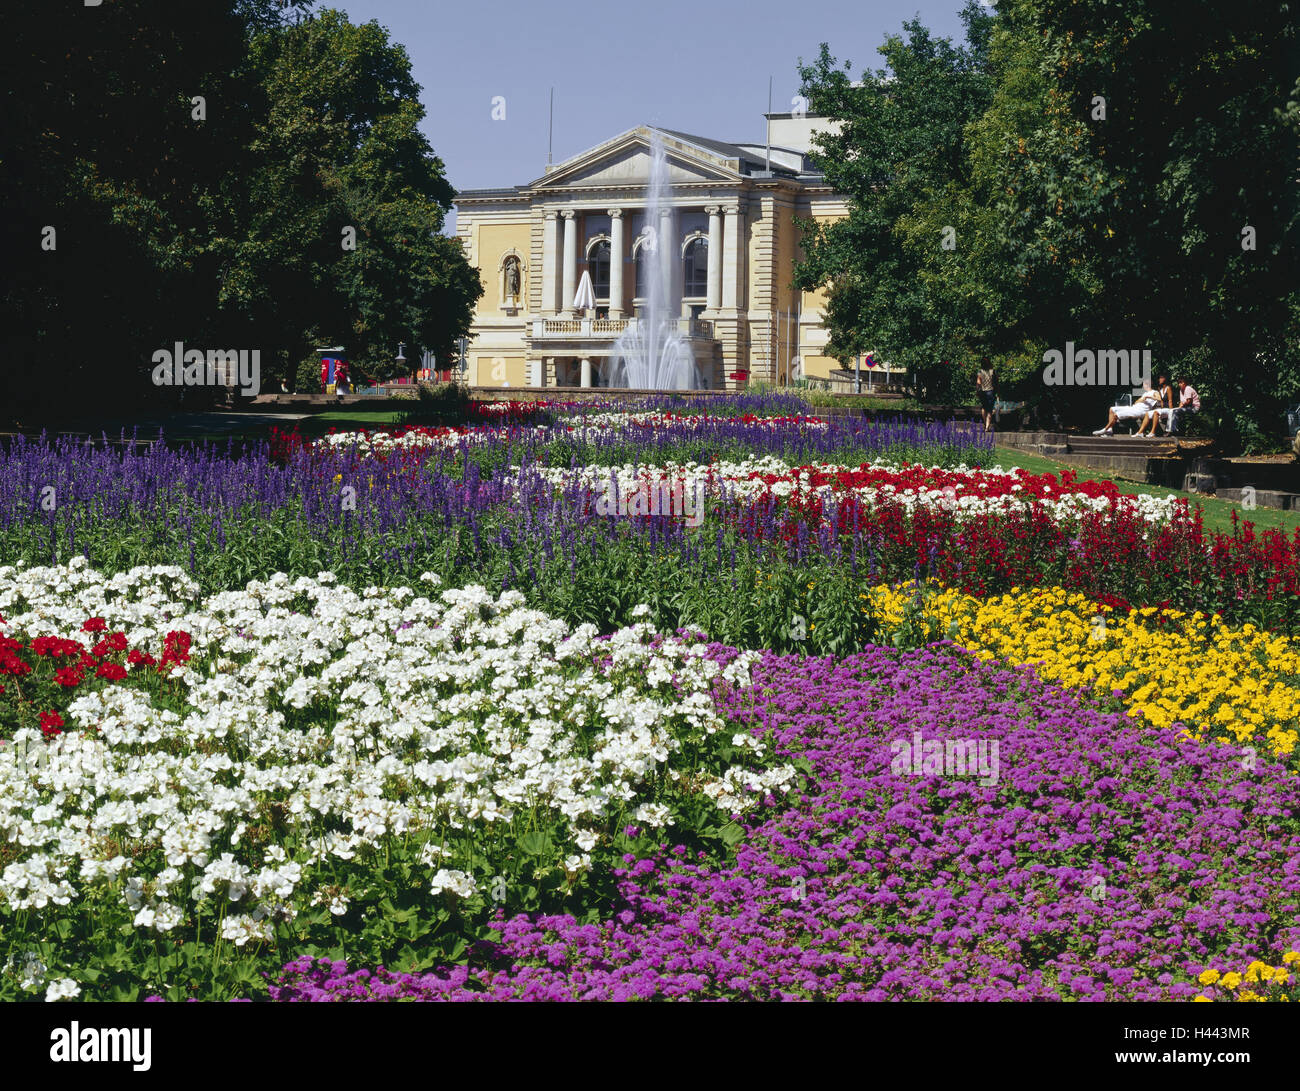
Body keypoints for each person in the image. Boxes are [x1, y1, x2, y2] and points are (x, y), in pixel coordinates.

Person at [1093, 381, 1160, 435]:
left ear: (1147, 385)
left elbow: (1159, 399)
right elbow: (1136, 402)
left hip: (1140, 411)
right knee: (1112, 409)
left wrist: (1149, 397)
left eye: (1143, 385)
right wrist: (1142, 399)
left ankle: (1105, 430)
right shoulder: (1145, 393)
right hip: (1133, 408)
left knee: (1116, 415)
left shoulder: (1154, 392)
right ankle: (1110, 430)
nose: (1143, 386)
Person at [975, 359, 996, 433]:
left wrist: (977, 391)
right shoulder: (992, 371)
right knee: (990, 410)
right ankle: (987, 427)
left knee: (984, 408)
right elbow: (995, 382)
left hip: (983, 392)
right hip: (990, 391)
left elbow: (978, 382)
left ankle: (985, 423)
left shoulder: (980, 372)